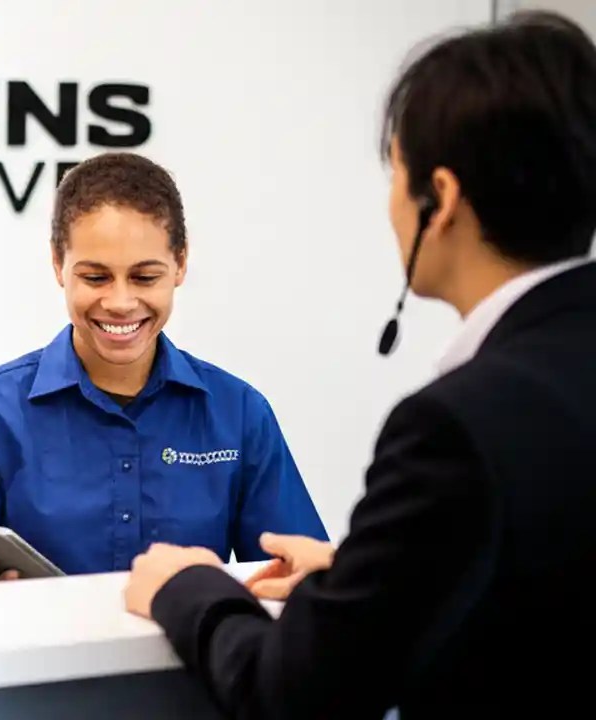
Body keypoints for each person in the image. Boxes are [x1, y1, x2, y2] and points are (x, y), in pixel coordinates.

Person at [124, 9, 596, 717]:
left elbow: (297, 694)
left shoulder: (456, 427)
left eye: (395, 175)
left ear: (439, 199)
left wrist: (188, 587)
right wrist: (366, 578)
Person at [0, 151, 328, 588]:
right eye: (95, 277)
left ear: (180, 264)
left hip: (196, 656)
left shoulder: (239, 413)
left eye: (145, 277)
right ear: (58, 264)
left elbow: (303, 586)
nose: (121, 302)